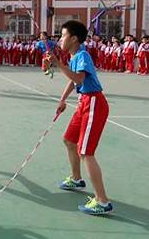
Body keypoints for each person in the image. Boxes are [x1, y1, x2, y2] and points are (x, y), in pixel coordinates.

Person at [47, 20, 112, 215]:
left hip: (93, 103)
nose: (59, 40)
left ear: (74, 38)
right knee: (69, 140)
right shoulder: (74, 56)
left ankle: (102, 201)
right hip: (84, 102)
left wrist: (58, 64)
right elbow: (72, 80)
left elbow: (79, 79)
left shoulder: (82, 55)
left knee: (86, 152)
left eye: (63, 35)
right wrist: (62, 100)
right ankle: (76, 179)